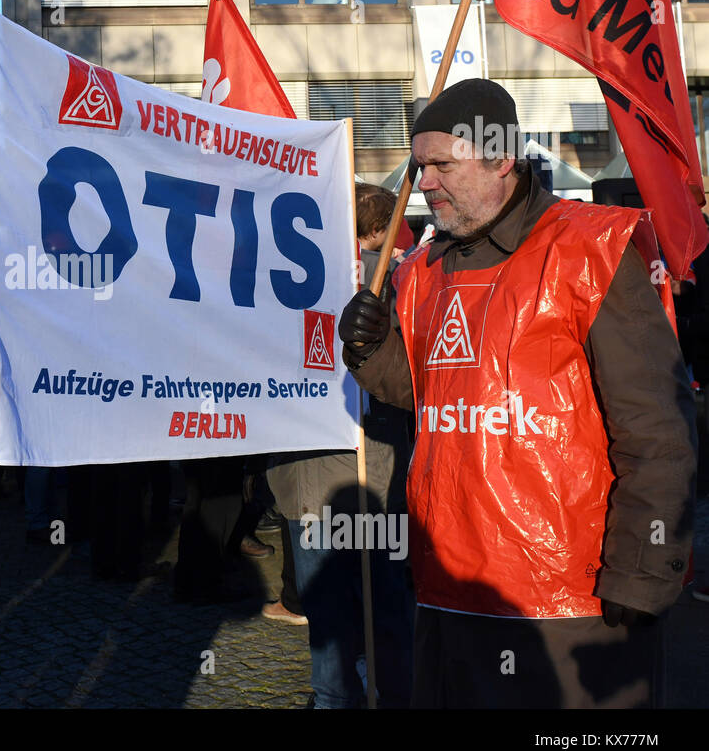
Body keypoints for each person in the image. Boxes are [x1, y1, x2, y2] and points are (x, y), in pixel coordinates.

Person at [339, 78, 696, 707]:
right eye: (421, 167)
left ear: (502, 158)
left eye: (441, 165)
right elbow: (426, 391)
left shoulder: (590, 250)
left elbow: (658, 430)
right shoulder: (422, 269)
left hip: (570, 599)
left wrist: (643, 571)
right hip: (449, 587)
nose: (424, 183)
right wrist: (370, 349)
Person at [262, 183, 414, 708]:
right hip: (375, 481)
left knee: (332, 637)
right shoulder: (405, 278)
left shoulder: (273, 282)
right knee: (390, 624)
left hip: (323, 492)